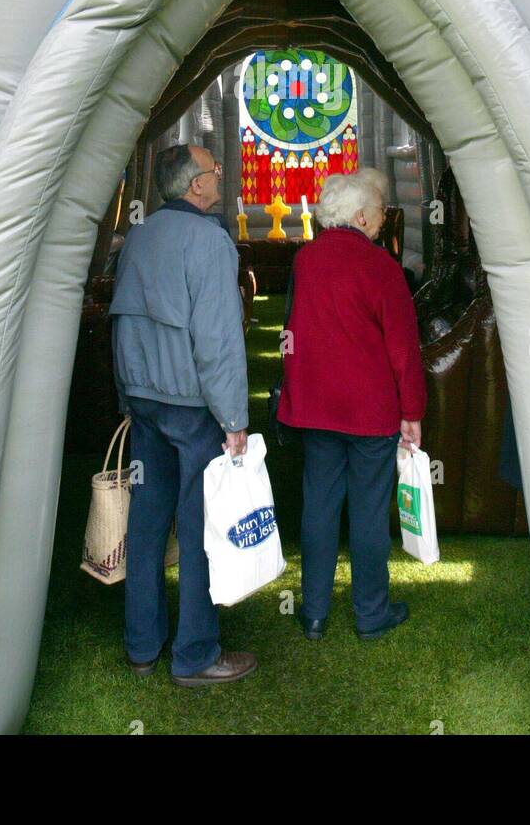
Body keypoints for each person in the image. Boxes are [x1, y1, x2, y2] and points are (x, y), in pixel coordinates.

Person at [109, 142, 256, 686]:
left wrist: (128, 397)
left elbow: (121, 323)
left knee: (147, 524)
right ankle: (195, 654)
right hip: (192, 407)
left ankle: (142, 646)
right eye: (215, 170)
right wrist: (234, 418)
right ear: (197, 185)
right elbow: (217, 340)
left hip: (144, 401)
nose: (219, 176)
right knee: (198, 529)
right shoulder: (210, 241)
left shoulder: (138, 238)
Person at [278, 170, 427, 641]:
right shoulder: (382, 267)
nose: (383, 219)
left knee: (319, 508)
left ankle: (315, 613)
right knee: (367, 513)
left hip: (316, 409)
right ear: (361, 216)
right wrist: (413, 412)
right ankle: (370, 614)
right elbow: (404, 349)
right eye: (380, 211)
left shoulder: (306, 260)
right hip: (370, 413)